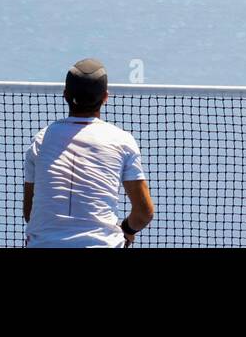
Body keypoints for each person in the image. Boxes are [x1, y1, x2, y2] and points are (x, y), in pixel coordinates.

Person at [23, 58, 155, 247]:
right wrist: (127, 230)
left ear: (65, 95)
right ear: (105, 97)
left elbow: (30, 213)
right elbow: (144, 213)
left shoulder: (41, 141)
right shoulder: (122, 141)